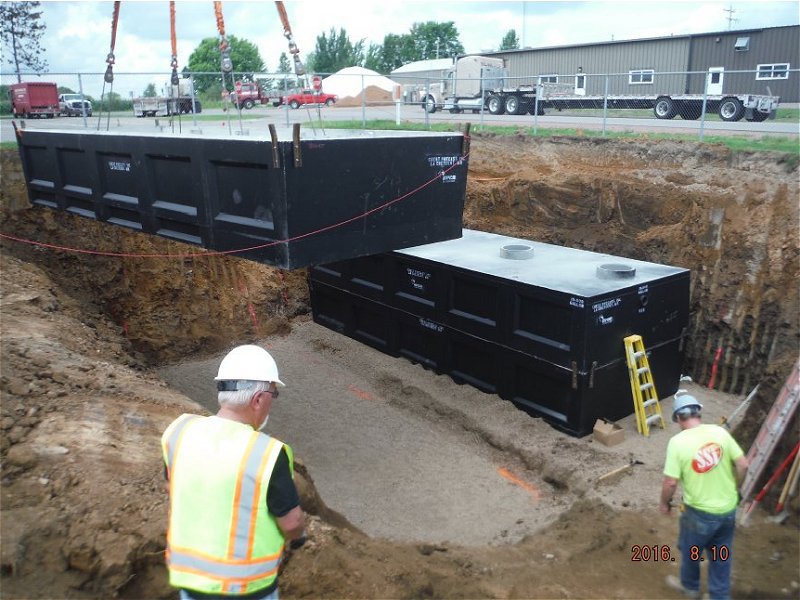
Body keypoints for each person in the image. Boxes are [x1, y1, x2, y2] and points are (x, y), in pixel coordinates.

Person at [161, 345, 306, 600]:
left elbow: (171, 486)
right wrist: (297, 538)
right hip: (246, 588)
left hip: (190, 580)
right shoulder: (267, 453)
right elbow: (292, 522)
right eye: (273, 394)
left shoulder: (179, 432)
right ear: (259, 399)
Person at [659, 393, 748, 600]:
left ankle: (690, 588)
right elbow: (743, 465)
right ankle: (719, 596)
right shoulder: (720, 432)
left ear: (678, 418)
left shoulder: (677, 442)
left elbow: (671, 482)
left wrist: (664, 503)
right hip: (727, 511)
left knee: (691, 550)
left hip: (699, 513)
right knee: (720, 555)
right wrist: (736, 489)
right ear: (698, 413)